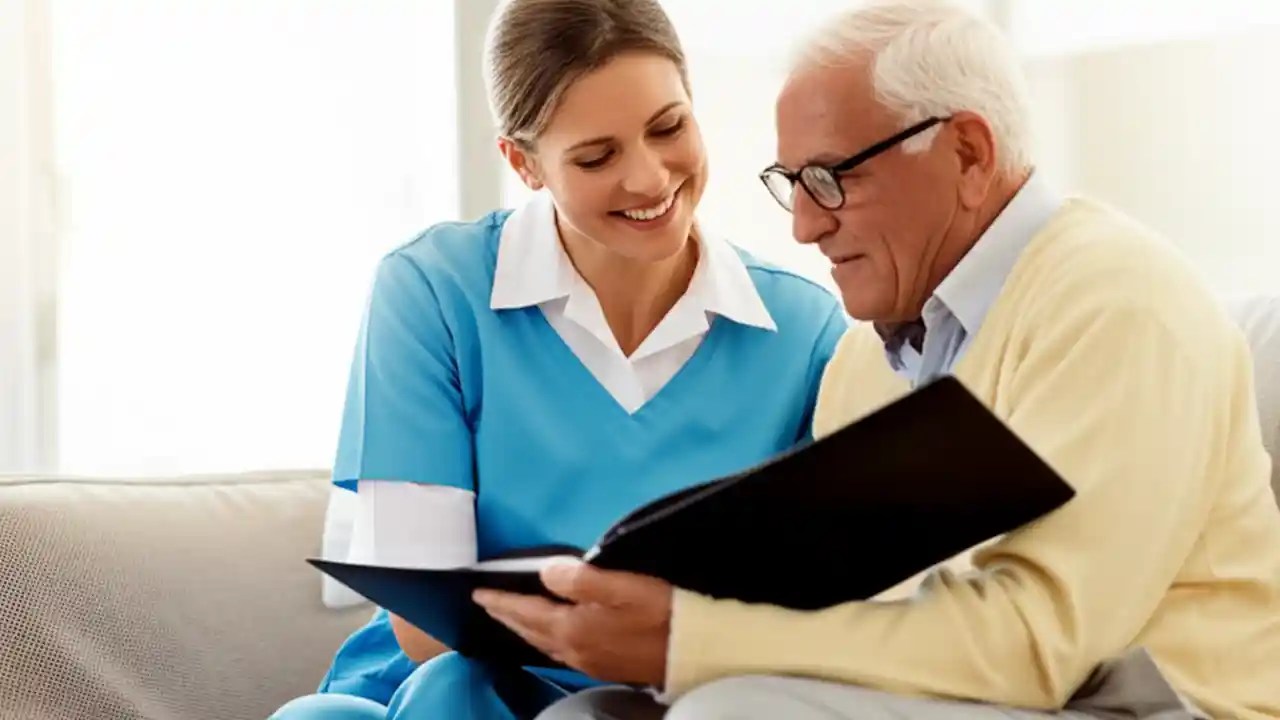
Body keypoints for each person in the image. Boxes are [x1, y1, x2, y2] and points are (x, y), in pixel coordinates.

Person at [477, 1, 1280, 719]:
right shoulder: (864, 360)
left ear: (966, 152)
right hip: (962, 697)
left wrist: (690, 641)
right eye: (792, 183)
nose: (803, 227)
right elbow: (857, 619)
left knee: (737, 712)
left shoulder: (1116, 301)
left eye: (829, 179)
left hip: (1155, 703)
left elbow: (1040, 646)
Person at [268, 0, 848, 718]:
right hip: (443, 687)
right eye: (597, 156)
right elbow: (427, 630)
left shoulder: (805, 332)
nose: (649, 179)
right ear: (523, 162)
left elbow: (825, 608)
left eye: (668, 128)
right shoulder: (434, 293)